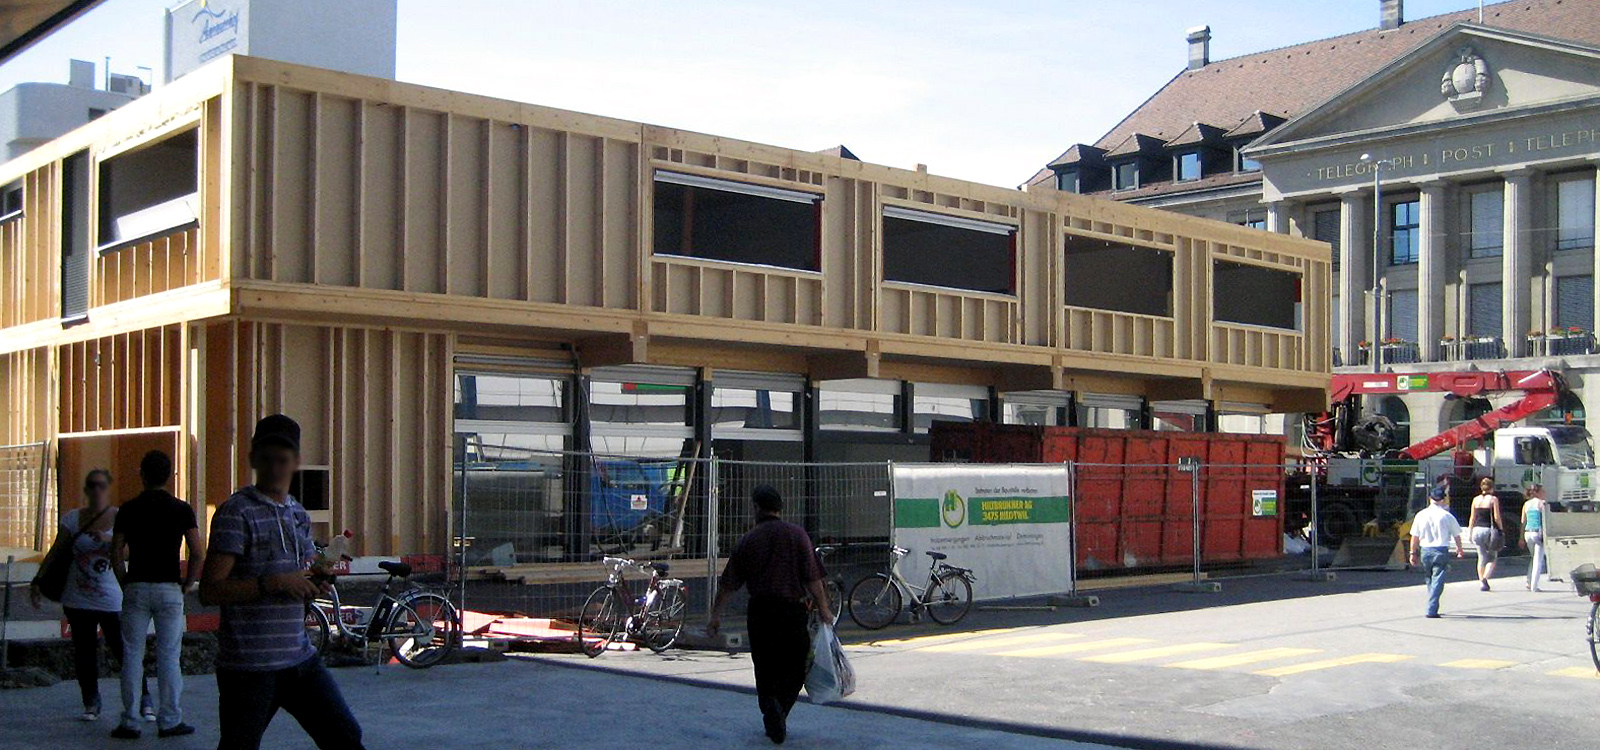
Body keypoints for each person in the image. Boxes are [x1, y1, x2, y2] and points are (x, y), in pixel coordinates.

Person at [199, 415, 365, 750]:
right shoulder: (236, 513)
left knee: (345, 736)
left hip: (299, 659)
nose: (275, 467)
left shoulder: (297, 514)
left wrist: (315, 584)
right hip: (248, 668)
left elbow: (300, 576)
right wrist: (273, 583)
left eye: (283, 459)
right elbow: (210, 590)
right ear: (253, 459)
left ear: (296, 462)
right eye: (267, 458)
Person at [708, 485, 832, 745]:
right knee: (797, 665)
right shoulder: (797, 535)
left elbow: (728, 584)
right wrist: (823, 608)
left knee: (765, 666)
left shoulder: (748, 540)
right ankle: (781, 707)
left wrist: (715, 616)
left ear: (756, 508)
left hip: (761, 611)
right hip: (793, 610)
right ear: (780, 508)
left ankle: (771, 711)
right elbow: (813, 578)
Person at [29, 470, 150, 722]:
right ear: (86, 490)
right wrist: (38, 580)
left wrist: (108, 539)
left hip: (111, 598)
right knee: (84, 652)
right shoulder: (73, 519)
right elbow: (55, 551)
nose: (96, 491)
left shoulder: (120, 517)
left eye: (101, 486)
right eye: (92, 486)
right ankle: (91, 701)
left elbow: (130, 552)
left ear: (108, 489)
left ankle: (144, 698)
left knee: (124, 650)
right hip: (78, 598)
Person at [110, 450, 202, 739]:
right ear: (170, 475)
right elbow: (197, 552)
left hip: (136, 586)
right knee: (169, 656)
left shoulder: (127, 509)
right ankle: (170, 719)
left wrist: (125, 582)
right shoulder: (182, 509)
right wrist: (188, 583)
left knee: (132, 655)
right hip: (169, 588)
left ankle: (130, 721)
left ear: (142, 474)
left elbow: (116, 553)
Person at [1409, 485, 1465, 618]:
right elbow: (1457, 534)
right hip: (1440, 550)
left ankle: (1432, 602)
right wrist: (1459, 549)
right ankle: (1432, 607)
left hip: (1425, 550)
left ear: (1430, 499)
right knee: (1438, 579)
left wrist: (1412, 553)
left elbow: (1414, 536)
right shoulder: (1447, 516)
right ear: (1443, 500)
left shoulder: (1421, 515)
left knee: (1429, 577)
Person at [1466, 477, 1504, 591]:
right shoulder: (1493, 499)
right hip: (1489, 530)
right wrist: (1501, 530)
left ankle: (1481, 581)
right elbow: (1497, 517)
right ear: (1492, 488)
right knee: (1492, 557)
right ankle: (1484, 579)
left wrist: (1470, 531)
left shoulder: (1476, 500)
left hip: (1477, 530)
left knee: (1481, 557)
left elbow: (1472, 517)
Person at [1520, 485, 1548, 592]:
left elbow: (1523, 522)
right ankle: (1534, 586)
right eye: (1543, 491)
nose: (1544, 493)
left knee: (1533, 557)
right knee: (1538, 560)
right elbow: (1545, 519)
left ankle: (1529, 581)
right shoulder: (1541, 503)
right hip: (1538, 533)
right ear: (1538, 492)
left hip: (1528, 533)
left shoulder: (1526, 504)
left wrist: (1521, 538)